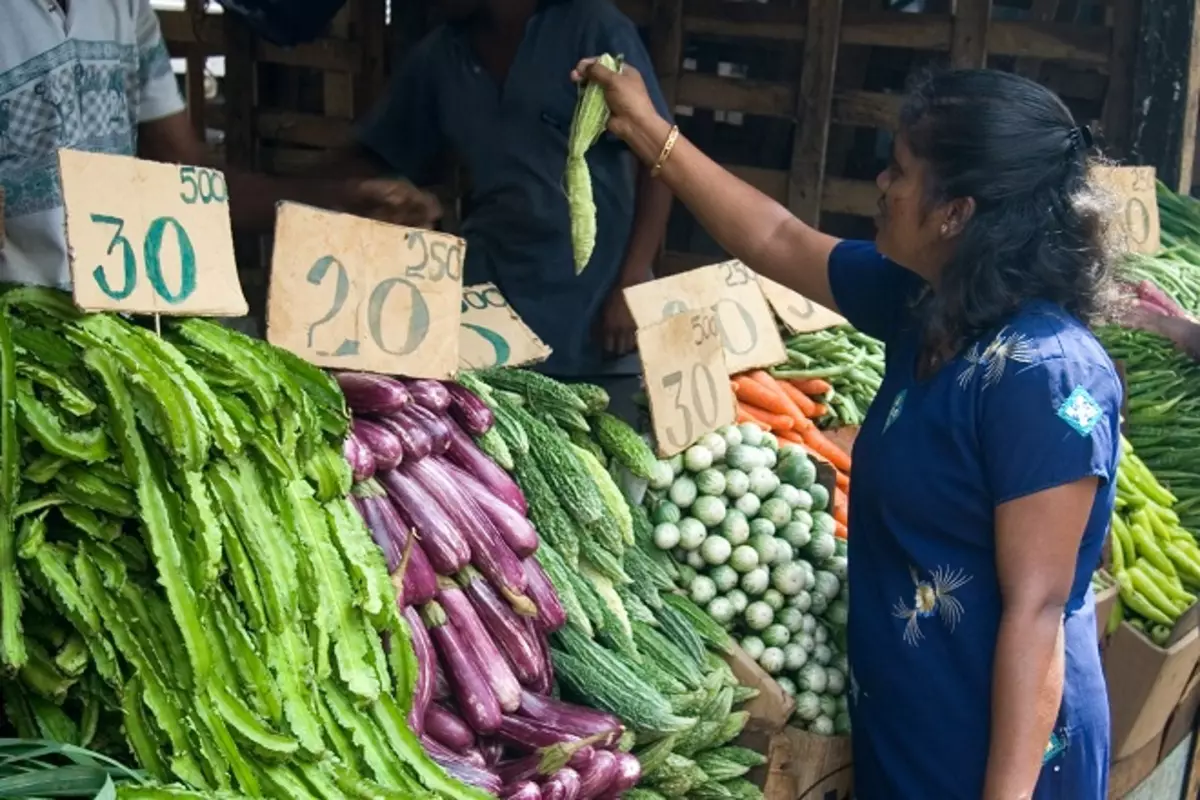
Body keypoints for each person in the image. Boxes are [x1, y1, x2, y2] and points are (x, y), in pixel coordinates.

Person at [577, 59, 1119, 800]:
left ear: (955, 213)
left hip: (998, 756)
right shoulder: (925, 306)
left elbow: (1038, 614)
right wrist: (647, 130)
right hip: (909, 725)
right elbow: (777, 238)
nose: (882, 187)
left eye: (899, 171)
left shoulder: (1046, 376)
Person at [356, 0, 673, 417]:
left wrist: (633, 282)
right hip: (490, 309)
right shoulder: (441, 55)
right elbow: (381, 153)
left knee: (605, 451)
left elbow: (661, 162)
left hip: (595, 311)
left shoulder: (593, 28)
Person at [0, 0, 438, 289]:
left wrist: (341, 202)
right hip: (22, 342)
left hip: (119, 328)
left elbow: (189, 186)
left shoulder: (124, 8)